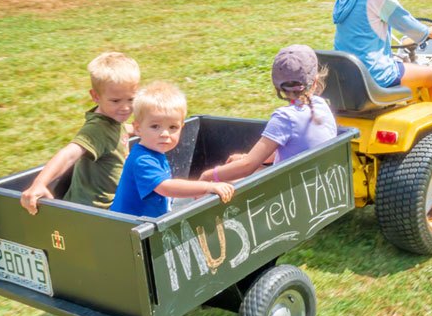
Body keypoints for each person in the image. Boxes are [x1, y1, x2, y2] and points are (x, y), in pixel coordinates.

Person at [20, 52, 141, 215]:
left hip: (112, 203)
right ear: (95, 96)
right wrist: (40, 183)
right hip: (95, 211)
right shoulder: (96, 129)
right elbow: (69, 154)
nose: (125, 107)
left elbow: (117, 132)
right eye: (116, 101)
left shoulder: (112, 120)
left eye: (131, 99)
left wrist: (138, 129)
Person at [199, 45, 337, 183]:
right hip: (317, 182)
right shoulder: (321, 106)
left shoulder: (285, 118)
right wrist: (244, 157)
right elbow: (292, 147)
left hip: (290, 191)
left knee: (222, 184)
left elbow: (247, 167)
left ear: (277, 86)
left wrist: (209, 176)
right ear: (315, 81)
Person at [110, 81, 234, 217]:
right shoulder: (143, 160)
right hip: (130, 229)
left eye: (172, 127)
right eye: (155, 126)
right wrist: (207, 187)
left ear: (181, 128)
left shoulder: (154, 152)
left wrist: (196, 191)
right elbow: (165, 187)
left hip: (145, 223)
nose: (165, 134)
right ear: (138, 128)